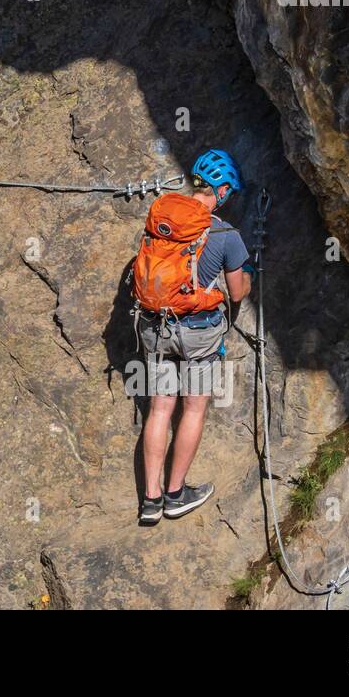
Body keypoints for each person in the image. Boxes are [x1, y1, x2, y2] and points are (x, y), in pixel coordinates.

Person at [132, 148, 251, 524]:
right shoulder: (227, 235)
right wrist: (249, 274)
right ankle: (176, 493)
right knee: (193, 408)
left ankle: (150, 501)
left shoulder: (162, 220)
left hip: (155, 328)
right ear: (224, 190)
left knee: (160, 408)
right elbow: (237, 293)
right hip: (198, 334)